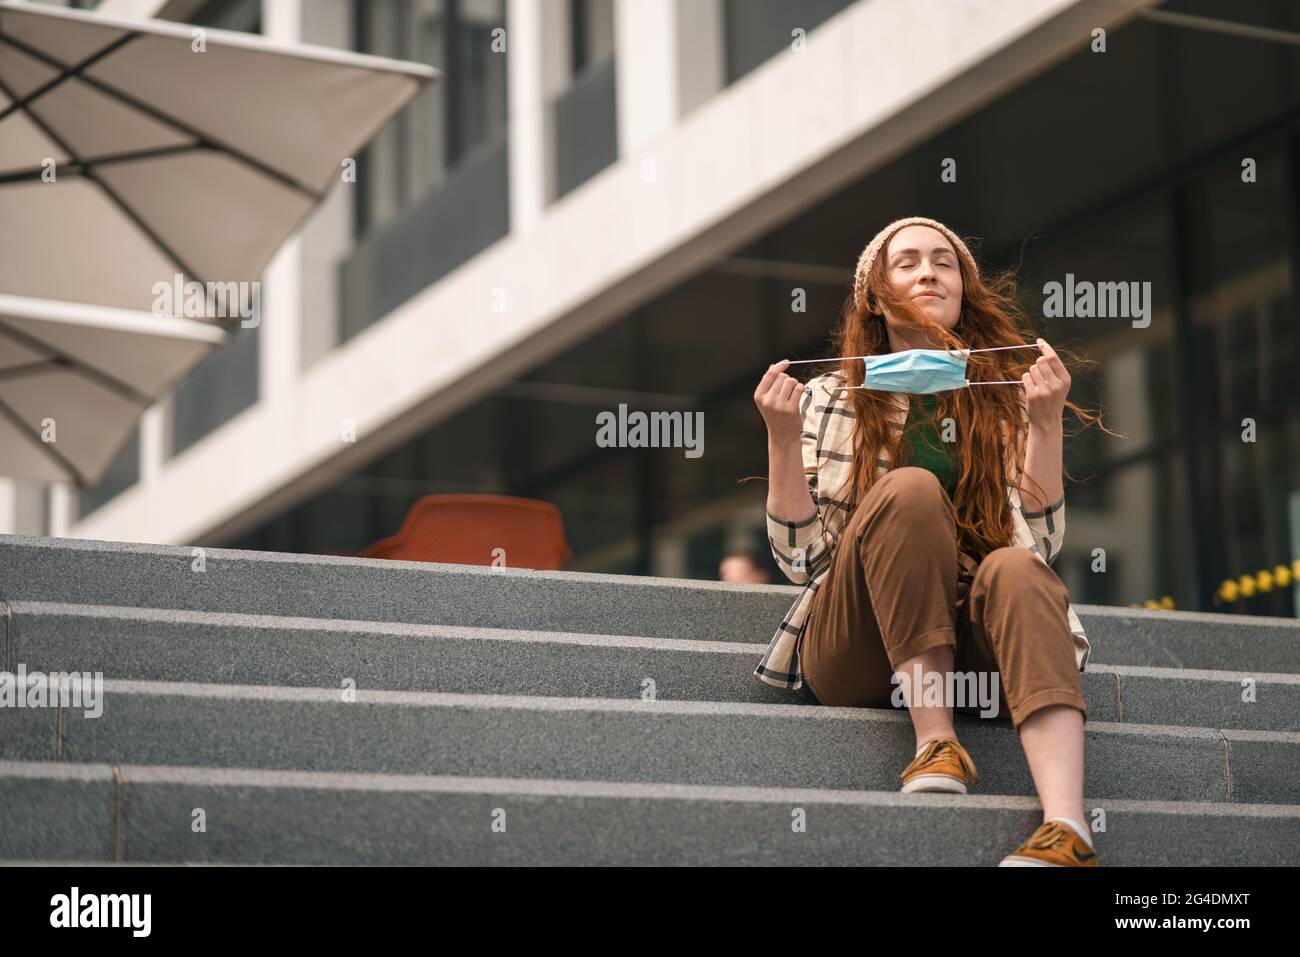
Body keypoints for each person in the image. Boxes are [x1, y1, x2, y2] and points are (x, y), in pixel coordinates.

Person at [752, 216, 1112, 866]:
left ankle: (1067, 827)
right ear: (874, 293)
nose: (928, 272)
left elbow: (1043, 538)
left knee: (1021, 571)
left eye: (944, 262)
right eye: (908, 261)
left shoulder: (996, 398)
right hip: (858, 644)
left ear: (964, 288)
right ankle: (936, 740)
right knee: (913, 490)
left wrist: (1046, 422)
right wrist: (781, 436)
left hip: (976, 638)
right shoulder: (830, 396)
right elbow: (798, 556)